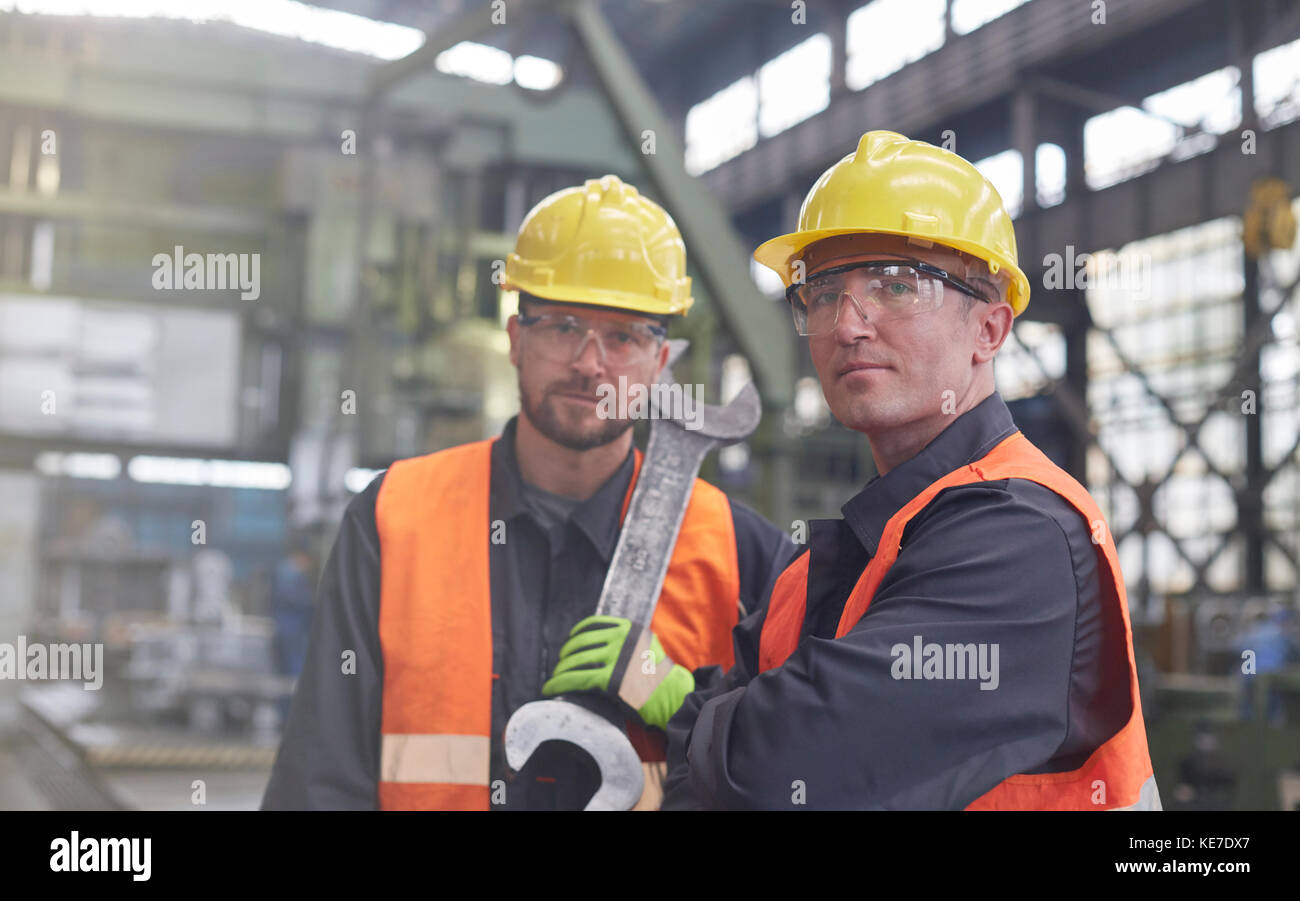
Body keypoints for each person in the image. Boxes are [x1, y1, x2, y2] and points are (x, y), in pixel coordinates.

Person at [262, 174, 796, 810]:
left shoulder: (741, 551)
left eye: (623, 335)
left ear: (660, 365)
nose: (589, 363)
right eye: (563, 327)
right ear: (516, 341)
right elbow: (321, 778)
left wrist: (687, 705)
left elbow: (800, 774)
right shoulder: (394, 519)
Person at [662, 130, 1161, 810]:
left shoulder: (1026, 537)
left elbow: (780, 765)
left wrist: (724, 736)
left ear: (990, 329)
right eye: (825, 290)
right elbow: (718, 747)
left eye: (897, 286)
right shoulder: (818, 568)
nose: (848, 324)